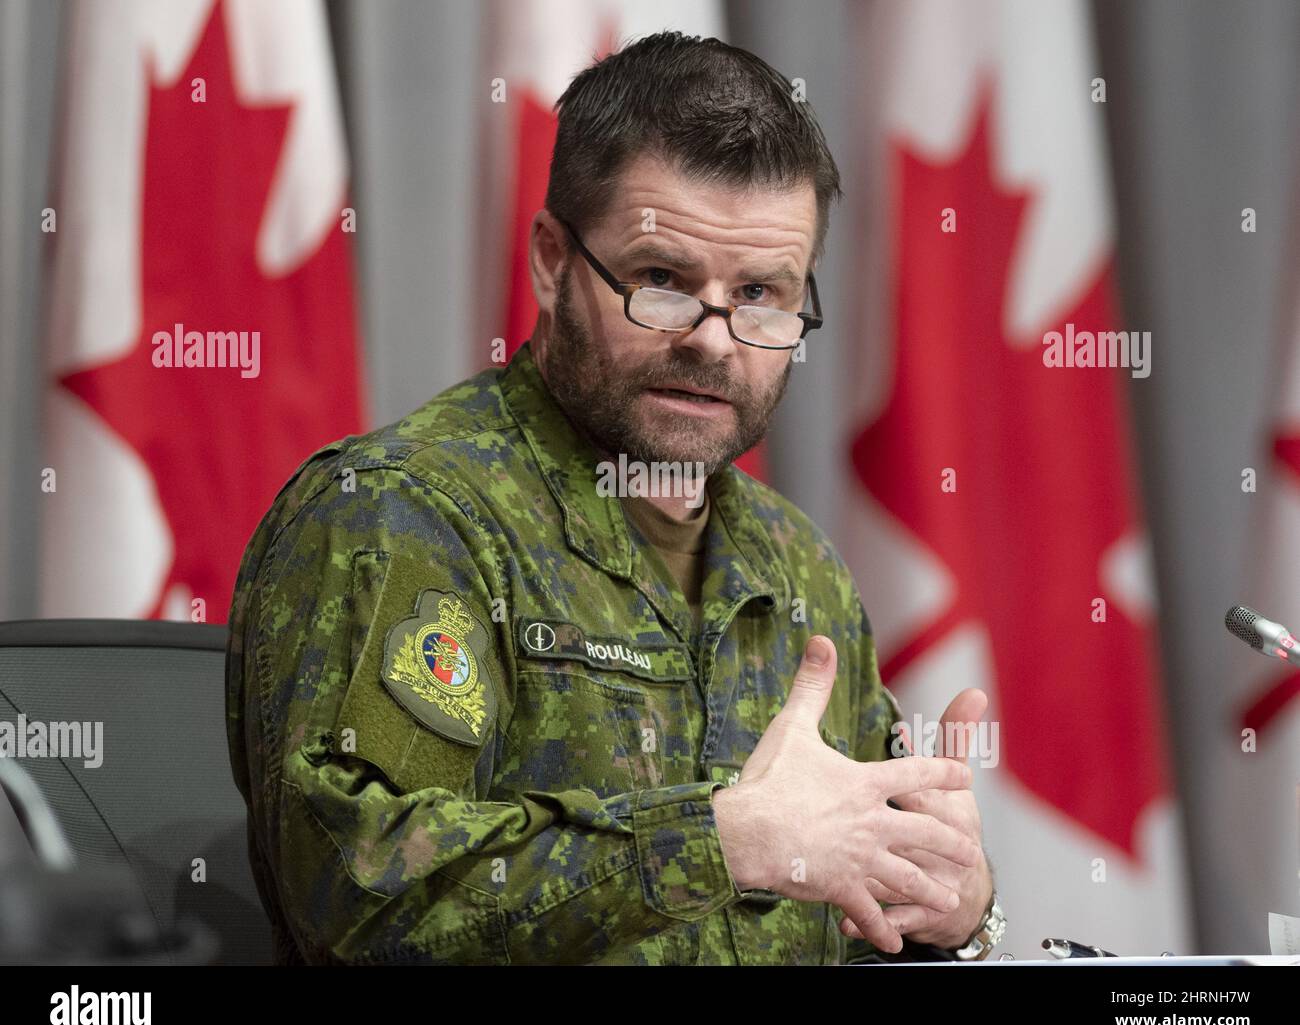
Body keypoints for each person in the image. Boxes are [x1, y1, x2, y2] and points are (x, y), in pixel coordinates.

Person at [225, 30, 1001, 965]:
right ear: (552, 261)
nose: (716, 341)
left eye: (761, 294)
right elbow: (359, 901)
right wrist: (719, 840)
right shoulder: (402, 515)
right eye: (663, 282)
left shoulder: (799, 569)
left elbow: (865, 919)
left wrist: (952, 912)